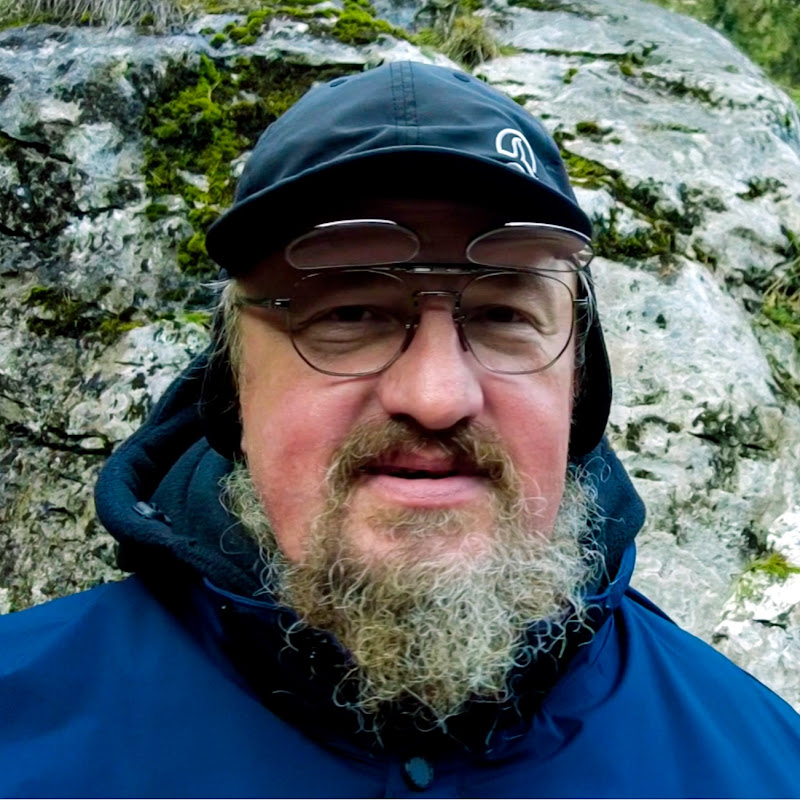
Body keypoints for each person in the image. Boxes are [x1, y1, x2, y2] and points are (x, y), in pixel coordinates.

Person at [1, 60, 799, 798]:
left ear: (579, 389)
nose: (436, 396)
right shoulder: (22, 727)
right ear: (233, 383)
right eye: (349, 312)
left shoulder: (763, 765)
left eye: (503, 315)